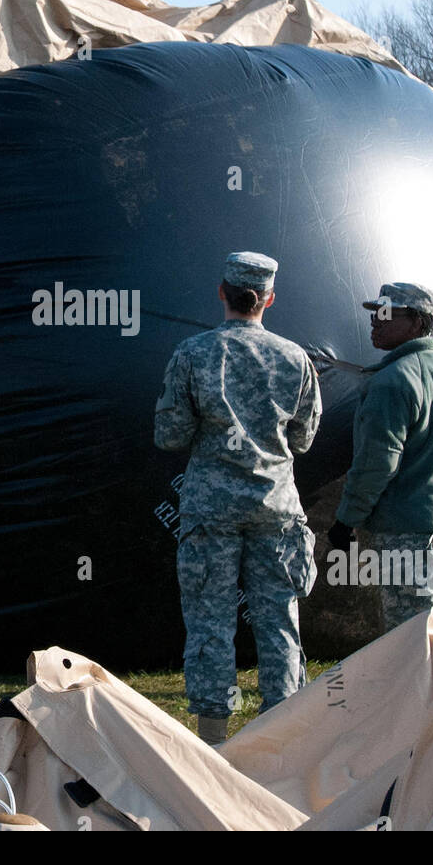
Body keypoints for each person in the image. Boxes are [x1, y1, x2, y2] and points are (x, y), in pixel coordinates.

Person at [154, 252, 321, 746]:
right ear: (269, 299)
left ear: (222, 292)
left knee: (210, 622)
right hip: (277, 508)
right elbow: (306, 438)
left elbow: (170, 435)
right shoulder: (296, 358)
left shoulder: (192, 354)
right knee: (279, 623)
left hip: (211, 511)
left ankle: (213, 743)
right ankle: (283, 745)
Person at [328, 282, 433, 633]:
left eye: (388, 313)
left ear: (418, 323)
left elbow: (377, 464)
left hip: (408, 532)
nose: (377, 321)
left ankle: (420, 691)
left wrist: (346, 521)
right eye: (376, 313)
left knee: (412, 641)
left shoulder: (391, 383)